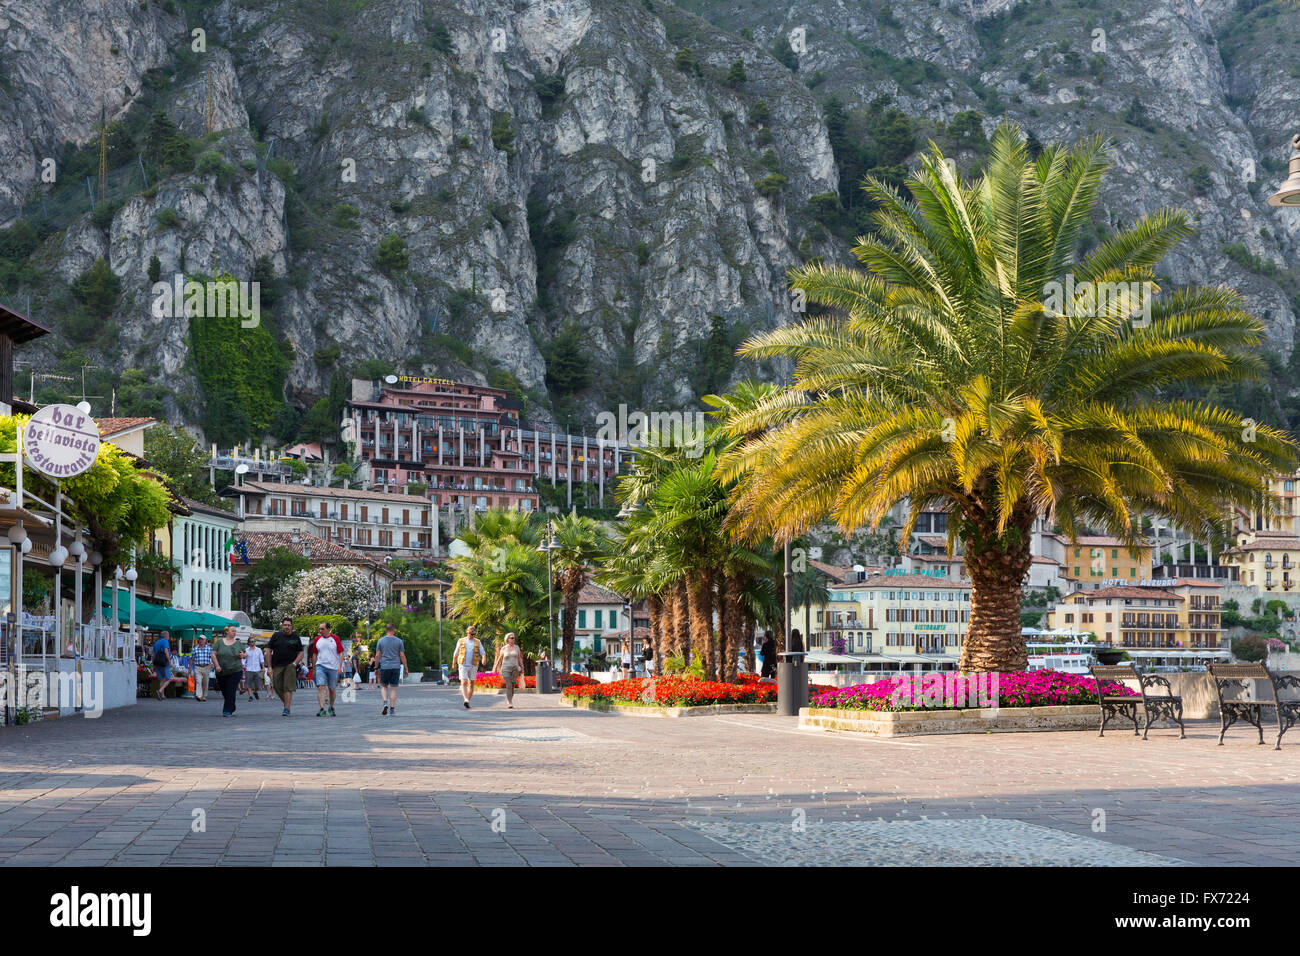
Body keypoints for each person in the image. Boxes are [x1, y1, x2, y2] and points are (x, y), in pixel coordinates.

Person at [267, 618, 304, 717]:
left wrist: (295, 663)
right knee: (276, 685)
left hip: (290, 665)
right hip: (277, 665)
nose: (287, 627)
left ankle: (286, 708)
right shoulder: (276, 636)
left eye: (288, 625)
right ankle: (287, 703)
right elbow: (268, 650)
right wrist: (269, 667)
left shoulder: (295, 637)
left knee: (288, 687)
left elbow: (301, 652)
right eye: (285, 625)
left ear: (292, 626)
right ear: (282, 626)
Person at [309, 622, 345, 717]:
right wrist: (314, 668)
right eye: (319, 629)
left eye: (322, 629)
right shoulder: (317, 639)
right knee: (320, 687)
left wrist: (340, 667)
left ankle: (331, 707)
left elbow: (341, 653)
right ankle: (321, 709)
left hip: (333, 667)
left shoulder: (335, 639)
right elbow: (314, 654)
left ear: (328, 629)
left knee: (332, 689)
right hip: (320, 666)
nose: (320, 631)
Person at [211, 625, 246, 717]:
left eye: (235, 631)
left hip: (235, 670)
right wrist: (217, 665)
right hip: (221, 671)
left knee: (231, 690)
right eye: (232, 631)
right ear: (227, 632)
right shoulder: (219, 642)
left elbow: (245, 653)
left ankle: (227, 710)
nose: (234, 632)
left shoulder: (238, 643)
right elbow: (213, 654)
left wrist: (243, 655)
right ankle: (231, 706)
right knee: (225, 691)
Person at [374, 623, 408, 716]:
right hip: (395, 667)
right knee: (393, 689)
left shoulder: (380, 641)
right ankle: (392, 709)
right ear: (393, 630)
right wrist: (406, 668)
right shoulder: (399, 641)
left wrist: (376, 667)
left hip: (384, 667)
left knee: (384, 686)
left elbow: (377, 655)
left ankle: (385, 703)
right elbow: (402, 655)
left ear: (386, 630)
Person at [453, 625, 485, 709]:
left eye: (474, 634)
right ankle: (466, 699)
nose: (472, 636)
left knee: (471, 684)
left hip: (473, 665)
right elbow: (455, 653)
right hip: (462, 664)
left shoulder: (478, 641)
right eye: (471, 634)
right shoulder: (461, 641)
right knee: (464, 682)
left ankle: (467, 701)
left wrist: (484, 659)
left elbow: (483, 652)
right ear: (467, 632)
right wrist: (453, 663)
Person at [492, 632, 523, 709]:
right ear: (507, 639)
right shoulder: (504, 648)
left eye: (514, 638)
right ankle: (510, 702)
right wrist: (495, 668)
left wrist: (522, 666)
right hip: (505, 669)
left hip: (515, 669)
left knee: (512, 685)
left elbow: (519, 658)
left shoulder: (517, 647)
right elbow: (499, 659)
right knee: (509, 685)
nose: (513, 639)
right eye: (511, 638)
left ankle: (510, 699)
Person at [151, 630, 173, 700]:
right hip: (164, 662)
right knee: (169, 679)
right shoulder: (165, 641)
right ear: (166, 636)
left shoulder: (156, 642)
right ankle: (160, 691)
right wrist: (169, 661)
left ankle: (162, 695)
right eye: (168, 636)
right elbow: (166, 651)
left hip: (157, 662)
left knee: (162, 679)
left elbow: (153, 654)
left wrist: (153, 664)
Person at [190, 634, 212, 702]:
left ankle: (204, 696)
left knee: (205, 682)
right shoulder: (195, 648)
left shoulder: (209, 648)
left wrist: (212, 664)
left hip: (206, 667)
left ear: (205, 641)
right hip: (198, 667)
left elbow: (212, 657)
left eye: (202, 639)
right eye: (200, 639)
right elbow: (191, 659)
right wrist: (190, 668)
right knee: (198, 681)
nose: (201, 640)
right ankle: (199, 696)